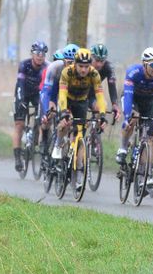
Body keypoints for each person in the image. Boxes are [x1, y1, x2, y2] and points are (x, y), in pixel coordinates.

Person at [118, 47, 153, 188]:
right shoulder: (134, 72)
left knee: (151, 135)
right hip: (133, 98)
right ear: (144, 64)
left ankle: (145, 173)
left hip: (149, 101)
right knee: (132, 119)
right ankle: (123, 147)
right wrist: (127, 116)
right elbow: (128, 97)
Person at [56, 48, 107, 186]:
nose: (84, 70)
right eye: (81, 66)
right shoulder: (67, 72)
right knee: (64, 124)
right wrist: (64, 112)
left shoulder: (94, 74)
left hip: (82, 102)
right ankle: (58, 144)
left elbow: (100, 96)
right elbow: (61, 95)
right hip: (67, 100)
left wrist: (102, 114)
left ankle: (78, 173)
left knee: (80, 136)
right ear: (75, 64)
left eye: (86, 66)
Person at [12, 40, 49, 171]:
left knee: (42, 119)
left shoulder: (46, 67)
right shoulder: (24, 65)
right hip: (23, 93)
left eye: (43, 53)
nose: (40, 56)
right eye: (37, 53)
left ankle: (36, 141)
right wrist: (21, 100)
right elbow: (20, 83)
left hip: (37, 94)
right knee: (19, 124)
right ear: (32, 54)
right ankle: (17, 158)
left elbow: (47, 87)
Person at [89, 44, 121, 121]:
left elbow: (112, 86)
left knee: (101, 107)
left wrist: (114, 104)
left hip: (92, 94)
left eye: (102, 61)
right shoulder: (84, 65)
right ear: (91, 58)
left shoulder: (108, 67)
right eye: (96, 60)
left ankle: (95, 130)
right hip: (78, 93)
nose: (99, 64)